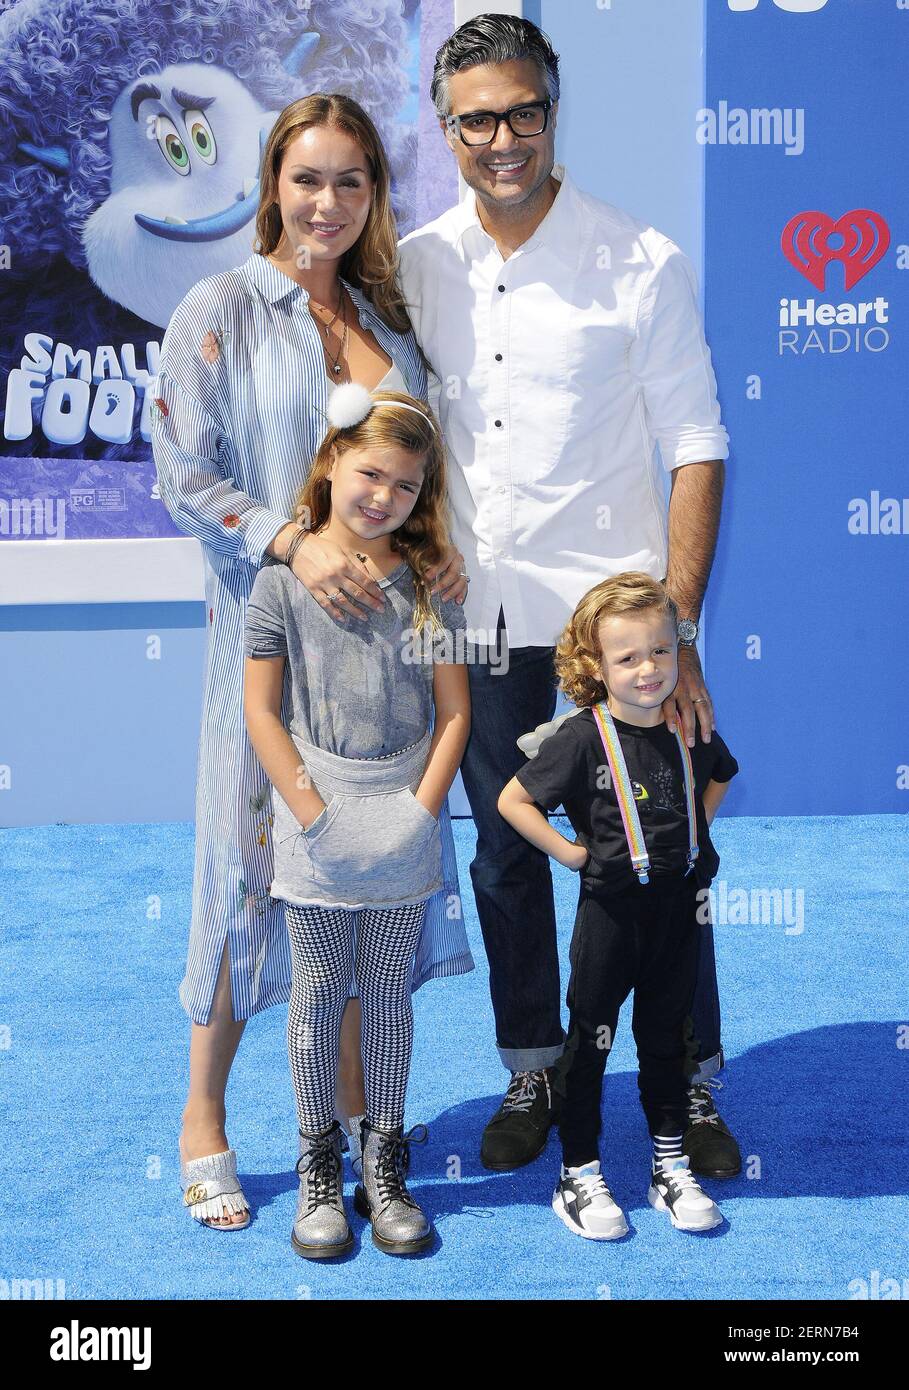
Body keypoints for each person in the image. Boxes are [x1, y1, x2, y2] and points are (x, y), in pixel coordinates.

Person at [396, 13, 740, 1175]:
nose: (503, 140)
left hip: (615, 634)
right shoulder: (417, 265)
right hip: (480, 622)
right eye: (476, 120)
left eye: (523, 113)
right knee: (505, 859)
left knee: (662, 855)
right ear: (444, 129)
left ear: (554, 110)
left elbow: (697, 443)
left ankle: (687, 1082)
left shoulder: (640, 260)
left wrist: (677, 627)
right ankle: (535, 1065)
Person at [152, 93, 469, 1231]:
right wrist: (291, 541)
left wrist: (439, 553)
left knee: (366, 879)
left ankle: (351, 1121)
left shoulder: (389, 320)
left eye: (350, 181)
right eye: (306, 178)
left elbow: (418, 469)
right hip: (269, 638)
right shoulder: (220, 307)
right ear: (270, 185)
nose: (326, 202)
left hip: (386, 661)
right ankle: (203, 1119)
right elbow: (181, 475)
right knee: (246, 871)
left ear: (374, 193)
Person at [242, 382, 470, 1258]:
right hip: (318, 828)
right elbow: (261, 712)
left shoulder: (434, 589)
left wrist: (420, 814)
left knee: (386, 997)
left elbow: (454, 713)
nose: (384, 496)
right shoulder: (277, 584)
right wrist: (312, 815)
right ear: (333, 461)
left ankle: (384, 1167)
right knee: (314, 997)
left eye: (406, 485)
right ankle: (317, 1170)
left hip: (404, 822)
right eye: (371, 473)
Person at [498, 574, 739, 1238]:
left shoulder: (686, 729)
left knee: (666, 1040)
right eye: (627, 657)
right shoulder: (580, 739)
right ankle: (578, 1172)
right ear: (594, 666)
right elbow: (513, 800)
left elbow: (720, 776)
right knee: (591, 1043)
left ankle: (669, 1164)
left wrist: (693, 836)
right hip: (610, 919)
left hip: (678, 913)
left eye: (660, 651)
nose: (648, 669)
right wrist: (569, 853)